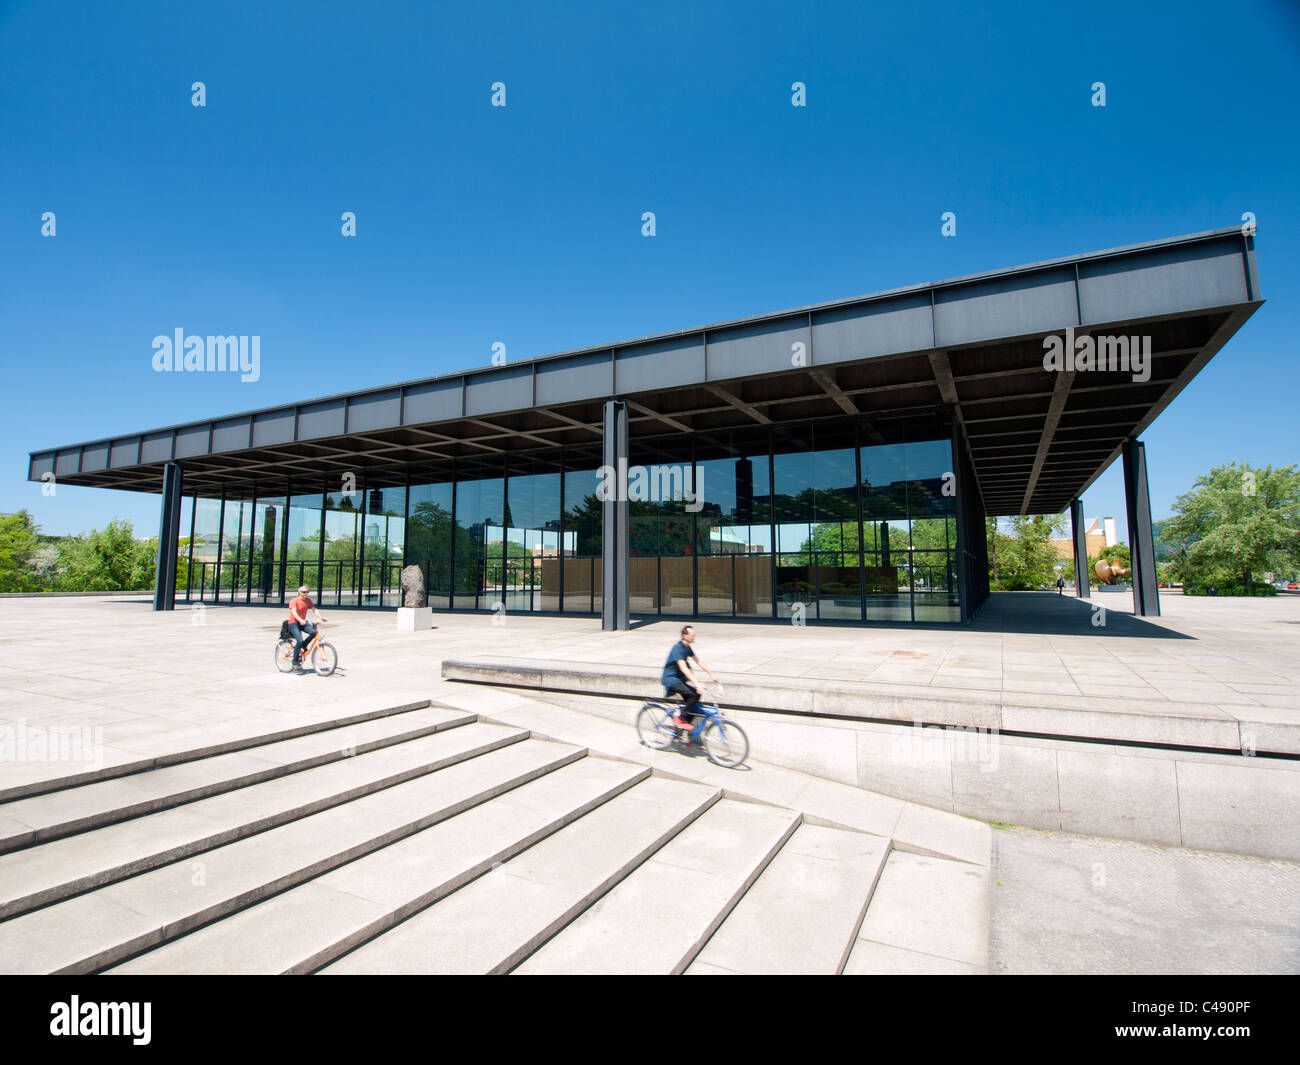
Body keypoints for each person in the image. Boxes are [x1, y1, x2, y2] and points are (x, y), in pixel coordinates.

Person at [661, 624, 721, 741]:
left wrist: (712, 674)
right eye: (692, 635)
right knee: (694, 694)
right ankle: (680, 719)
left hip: (679, 679)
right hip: (671, 679)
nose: (694, 637)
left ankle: (682, 731)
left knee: (695, 697)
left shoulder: (687, 647)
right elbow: (683, 668)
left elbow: (698, 661)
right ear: (684, 636)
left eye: (694, 635)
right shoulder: (677, 648)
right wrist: (697, 684)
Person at [288, 584, 327, 671]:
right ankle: (295, 662)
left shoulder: (308, 601)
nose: (306, 594)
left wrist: (320, 617)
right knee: (299, 640)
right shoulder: (294, 600)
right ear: (299, 592)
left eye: (307, 592)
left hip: (303, 622)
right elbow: (294, 612)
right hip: (293, 623)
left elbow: (314, 609)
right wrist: (300, 619)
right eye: (304, 592)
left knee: (314, 632)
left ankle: (303, 646)